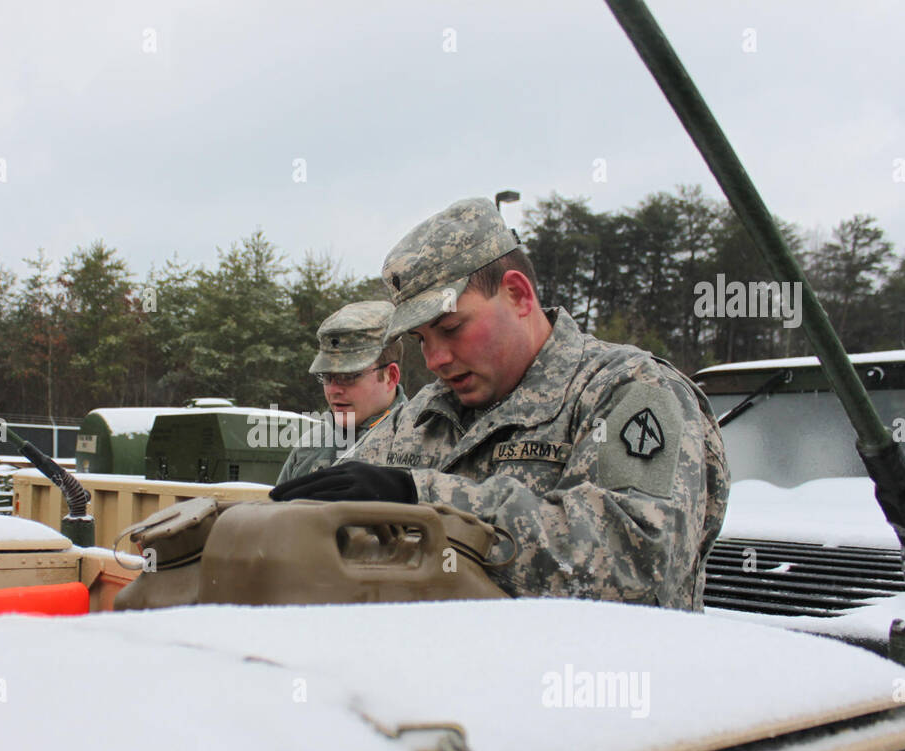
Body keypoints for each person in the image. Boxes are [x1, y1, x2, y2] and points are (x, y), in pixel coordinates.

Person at [271, 197, 729, 610]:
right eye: (421, 339)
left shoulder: (630, 392)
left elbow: (632, 562)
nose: (435, 359)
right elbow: (334, 506)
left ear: (517, 294)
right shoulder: (425, 415)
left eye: (450, 329)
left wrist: (422, 500)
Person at [275, 301, 407, 484]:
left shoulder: (424, 441)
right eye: (327, 377)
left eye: (349, 377)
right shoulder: (310, 446)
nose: (334, 390)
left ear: (390, 377)